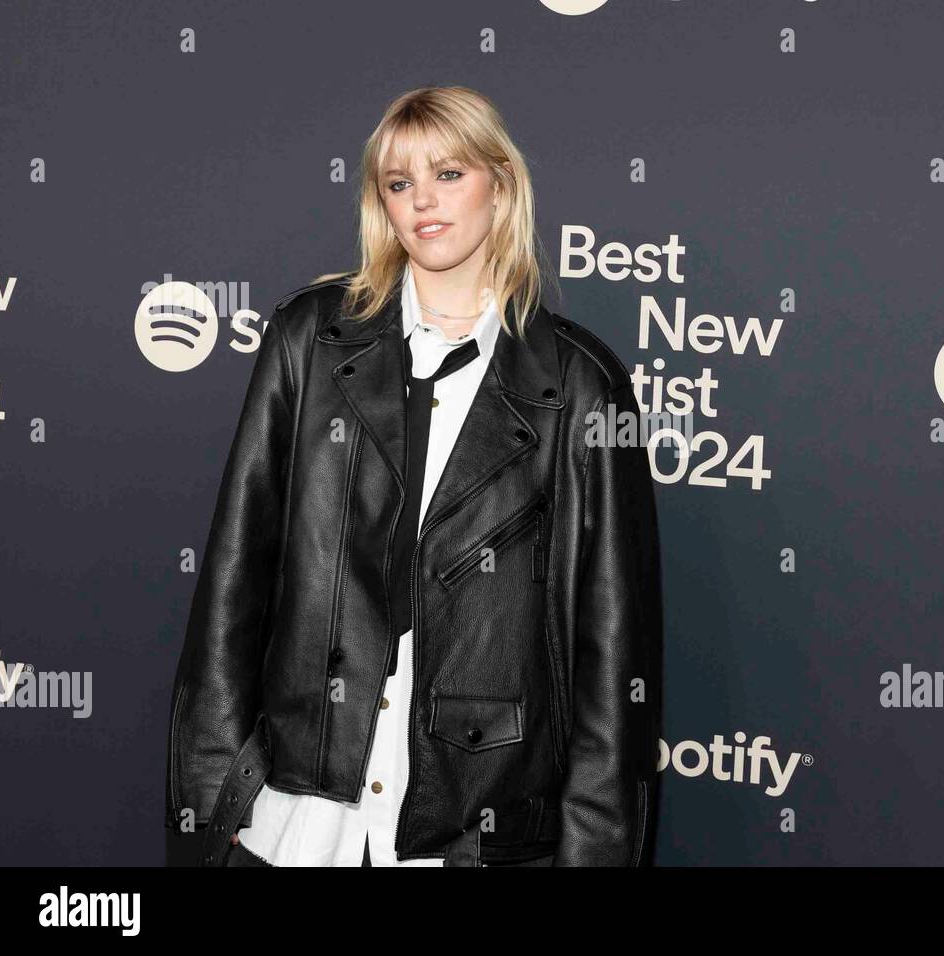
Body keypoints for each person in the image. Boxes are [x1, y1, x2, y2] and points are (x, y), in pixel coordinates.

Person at [164, 86, 663, 867]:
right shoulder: (312, 340)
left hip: (476, 827)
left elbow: (611, 652)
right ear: (381, 204)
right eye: (400, 184)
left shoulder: (579, 385)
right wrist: (210, 798)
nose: (423, 202)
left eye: (450, 175)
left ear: (501, 185)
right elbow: (234, 580)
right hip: (296, 820)